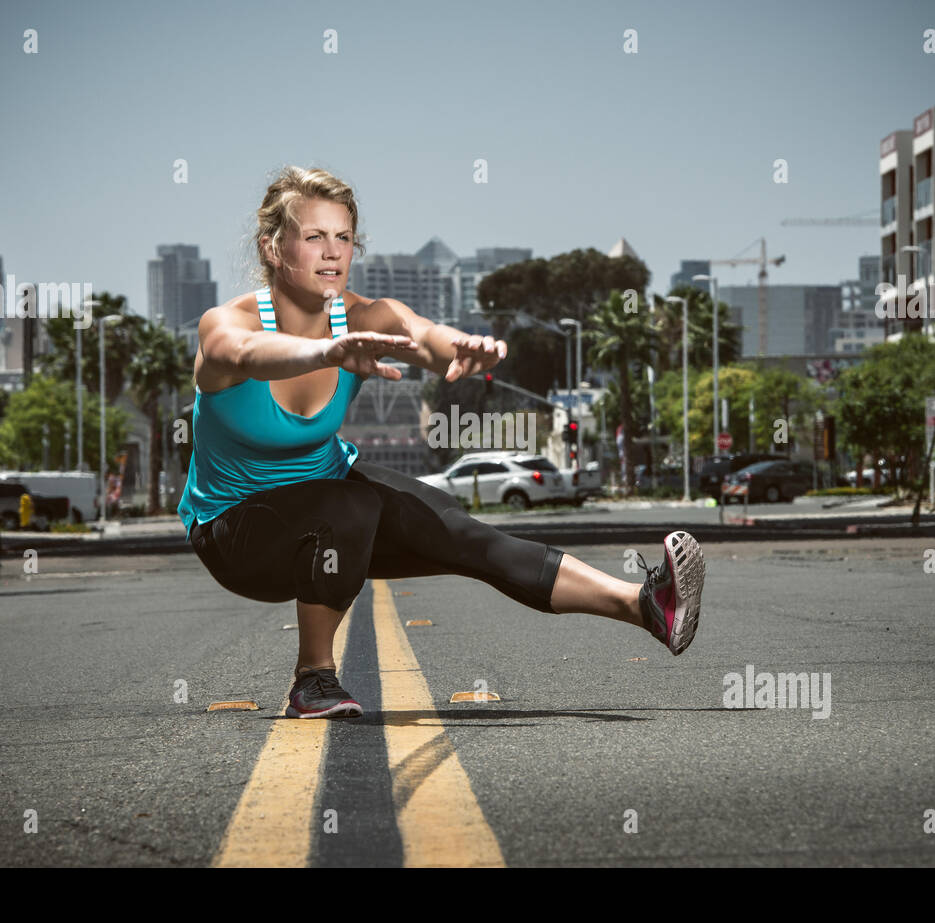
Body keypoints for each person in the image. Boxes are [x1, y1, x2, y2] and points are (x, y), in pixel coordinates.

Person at [178, 166, 706, 718]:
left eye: (343, 237)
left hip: (330, 506)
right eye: (314, 237)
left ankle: (647, 606)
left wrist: (464, 346)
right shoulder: (226, 322)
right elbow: (239, 353)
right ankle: (313, 679)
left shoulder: (363, 316)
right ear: (273, 246)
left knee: (459, 531)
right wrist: (323, 354)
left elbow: (424, 336)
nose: (332, 252)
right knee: (347, 503)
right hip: (235, 535)